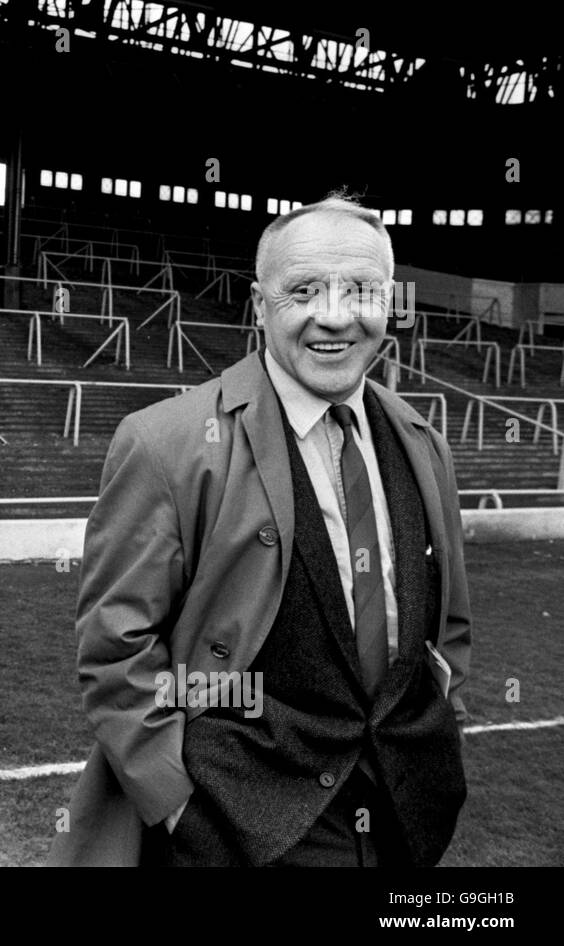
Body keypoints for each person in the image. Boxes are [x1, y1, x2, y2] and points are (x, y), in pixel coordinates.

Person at [49, 195, 470, 866]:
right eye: (302, 291)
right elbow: (115, 653)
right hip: (237, 822)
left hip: (402, 809)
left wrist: (429, 727)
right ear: (257, 305)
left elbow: (446, 627)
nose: (334, 316)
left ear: (390, 302)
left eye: (361, 291)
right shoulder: (167, 443)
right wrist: (178, 801)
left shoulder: (424, 443)